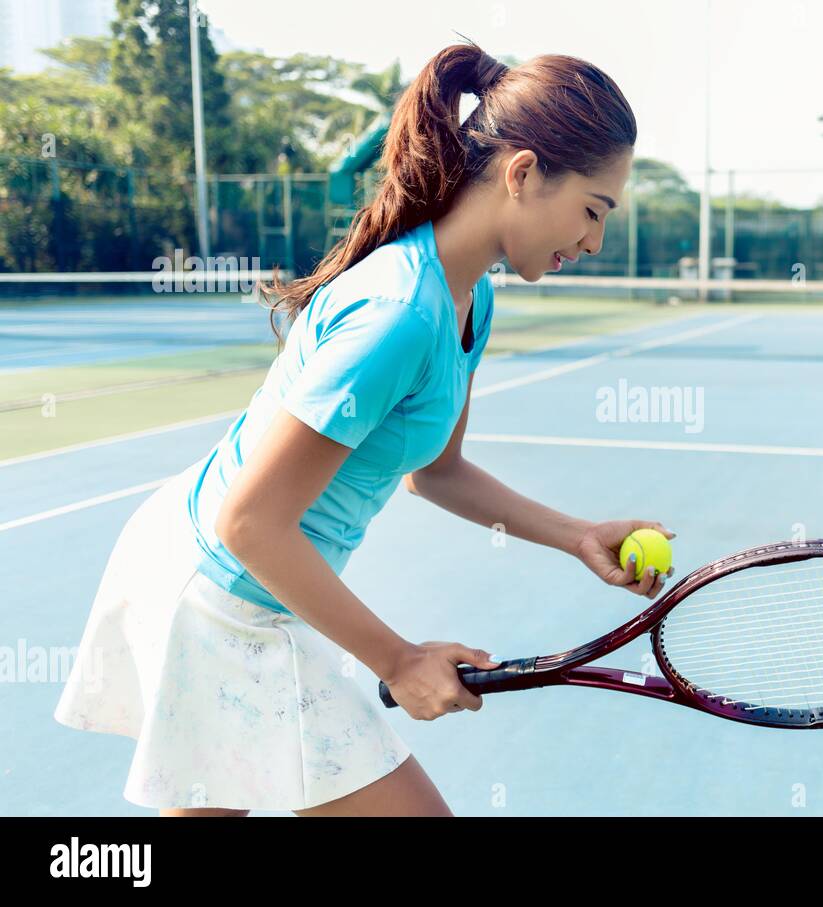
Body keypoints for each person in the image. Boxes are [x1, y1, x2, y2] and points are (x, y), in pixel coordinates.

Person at [54, 42, 665, 817]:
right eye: (592, 210)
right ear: (522, 174)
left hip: (257, 584)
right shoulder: (398, 316)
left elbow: (436, 470)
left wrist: (576, 533)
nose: (593, 242)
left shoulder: (467, 299)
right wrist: (398, 659)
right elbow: (248, 521)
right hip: (216, 594)